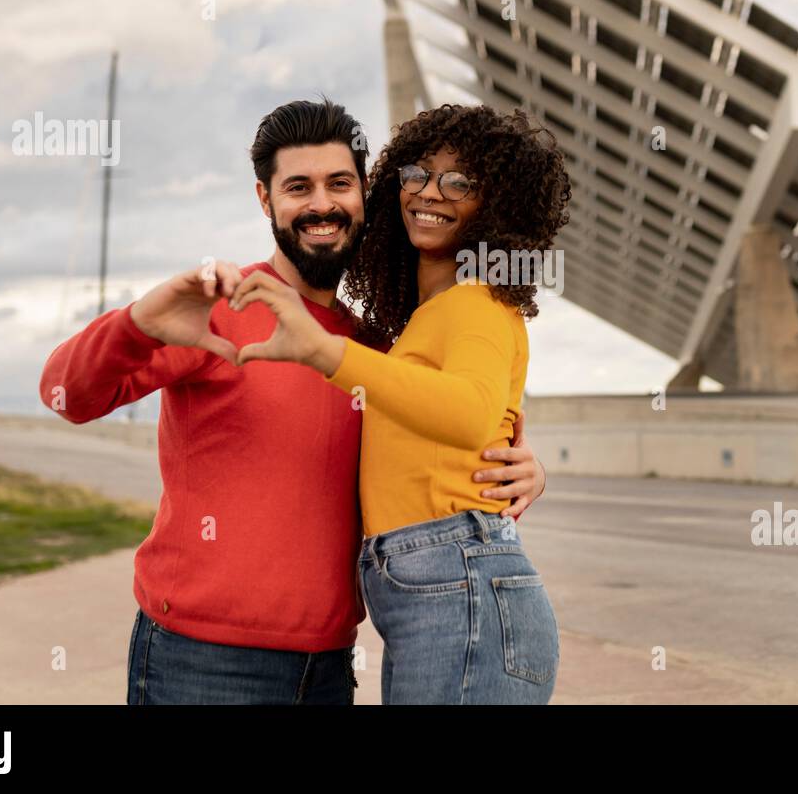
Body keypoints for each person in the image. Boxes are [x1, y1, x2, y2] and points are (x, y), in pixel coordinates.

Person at [38, 98, 546, 704]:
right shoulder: (220, 312)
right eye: (298, 187)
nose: (321, 205)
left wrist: (526, 466)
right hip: (203, 664)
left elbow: (455, 424)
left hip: (327, 669)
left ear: (365, 195)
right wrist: (138, 320)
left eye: (339, 183)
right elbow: (64, 393)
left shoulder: (376, 351)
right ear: (265, 199)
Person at [229, 103, 571, 703]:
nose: (429, 193)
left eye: (460, 182)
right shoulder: (425, 323)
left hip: (460, 586)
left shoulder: (477, 302)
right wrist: (524, 458)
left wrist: (324, 351)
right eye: (416, 174)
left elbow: (467, 413)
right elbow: (477, 412)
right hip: (440, 592)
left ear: (500, 206)